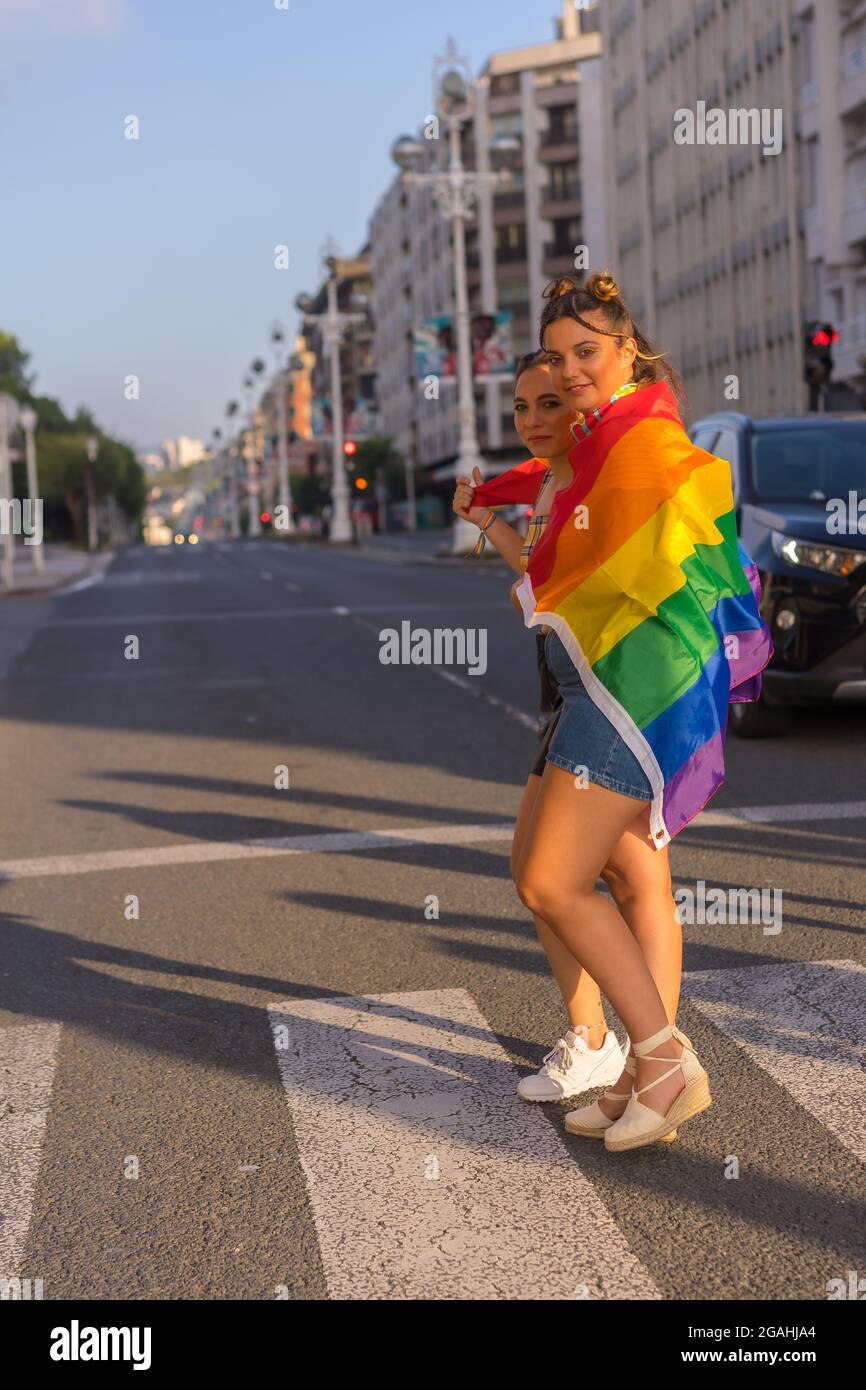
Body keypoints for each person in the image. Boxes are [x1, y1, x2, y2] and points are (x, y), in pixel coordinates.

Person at [453, 271, 772, 1151]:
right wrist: (502, 509)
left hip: (634, 692)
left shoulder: (647, 441)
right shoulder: (600, 444)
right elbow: (562, 537)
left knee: (554, 880)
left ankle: (664, 1060)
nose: (571, 372)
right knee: (567, 877)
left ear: (627, 349)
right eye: (559, 357)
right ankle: (637, 1062)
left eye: (585, 353)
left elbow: (689, 531)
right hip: (601, 686)